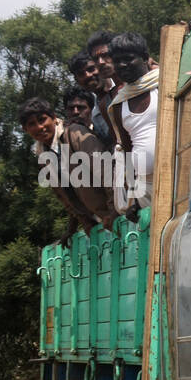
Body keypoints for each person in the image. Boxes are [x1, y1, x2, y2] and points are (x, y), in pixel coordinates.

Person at [19, 96, 113, 241]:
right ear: (25, 129)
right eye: (32, 124)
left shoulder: (74, 134)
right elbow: (64, 197)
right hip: (100, 223)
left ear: (54, 118)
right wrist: (85, 221)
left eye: (42, 119)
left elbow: (106, 170)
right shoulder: (44, 156)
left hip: (118, 213)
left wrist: (113, 210)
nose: (39, 127)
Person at [105, 31, 160, 217]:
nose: (121, 65)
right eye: (117, 61)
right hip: (145, 187)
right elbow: (127, 149)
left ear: (145, 58)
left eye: (128, 59)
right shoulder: (119, 104)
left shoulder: (165, 83)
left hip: (176, 177)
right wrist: (134, 197)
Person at [69, 50, 114, 146]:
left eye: (91, 69)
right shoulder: (95, 115)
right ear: (77, 81)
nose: (88, 75)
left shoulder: (126, 86)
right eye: (81, 74)